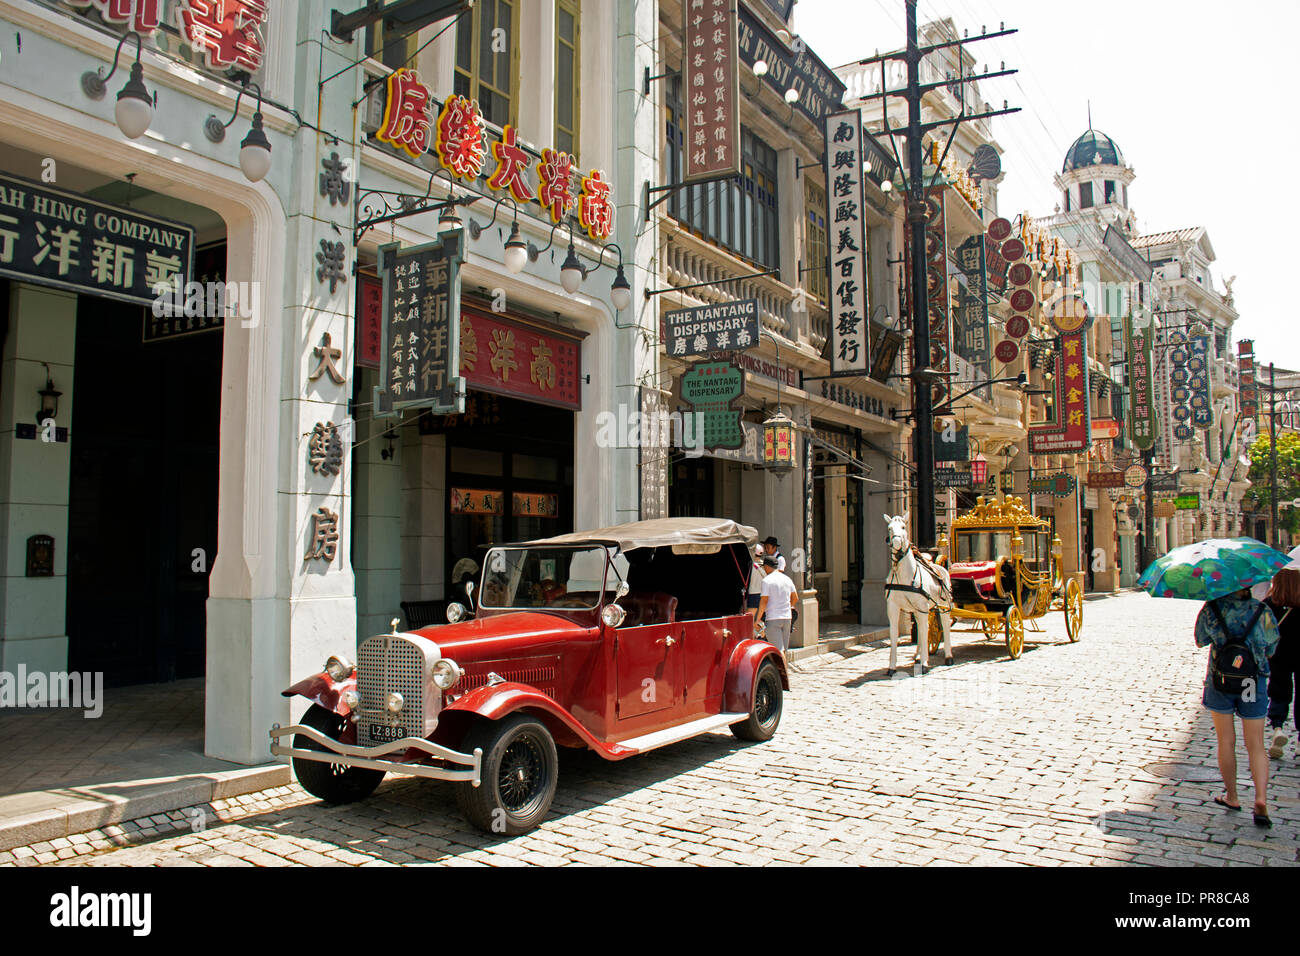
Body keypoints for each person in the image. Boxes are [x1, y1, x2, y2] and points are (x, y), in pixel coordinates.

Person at [1194, 586, 1281, 827]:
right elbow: (1272, 648)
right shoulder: (1261, 610)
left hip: (1220, 680)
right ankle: (1261, 798)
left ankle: (1232, 796)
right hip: (1252, 681)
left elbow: (1200, 640)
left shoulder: (1212, 609)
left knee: (1226, 740)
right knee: (1256, 744)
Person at [1264, 568, 1300, 760]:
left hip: (1278, 656)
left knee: (1278, 692)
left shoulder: (1270, 604)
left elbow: (1261, 630)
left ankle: (1278, 728)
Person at [753, 555, 798, 654]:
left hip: (773, 618)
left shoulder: (767, 581)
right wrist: (787, 607)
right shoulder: (787, 579)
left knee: (778, 651)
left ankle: (782, 669)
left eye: (764, 567)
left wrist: (758, 619)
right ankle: (785, 669)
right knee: (784, 650)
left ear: (767, 566)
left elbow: (764, 601)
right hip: (787, 618)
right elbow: (795, 598)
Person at [746, 543, 765, 613]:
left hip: (753, 593)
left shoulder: (751, 565)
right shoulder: (765, 565)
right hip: (763, 593)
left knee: (751, 617)